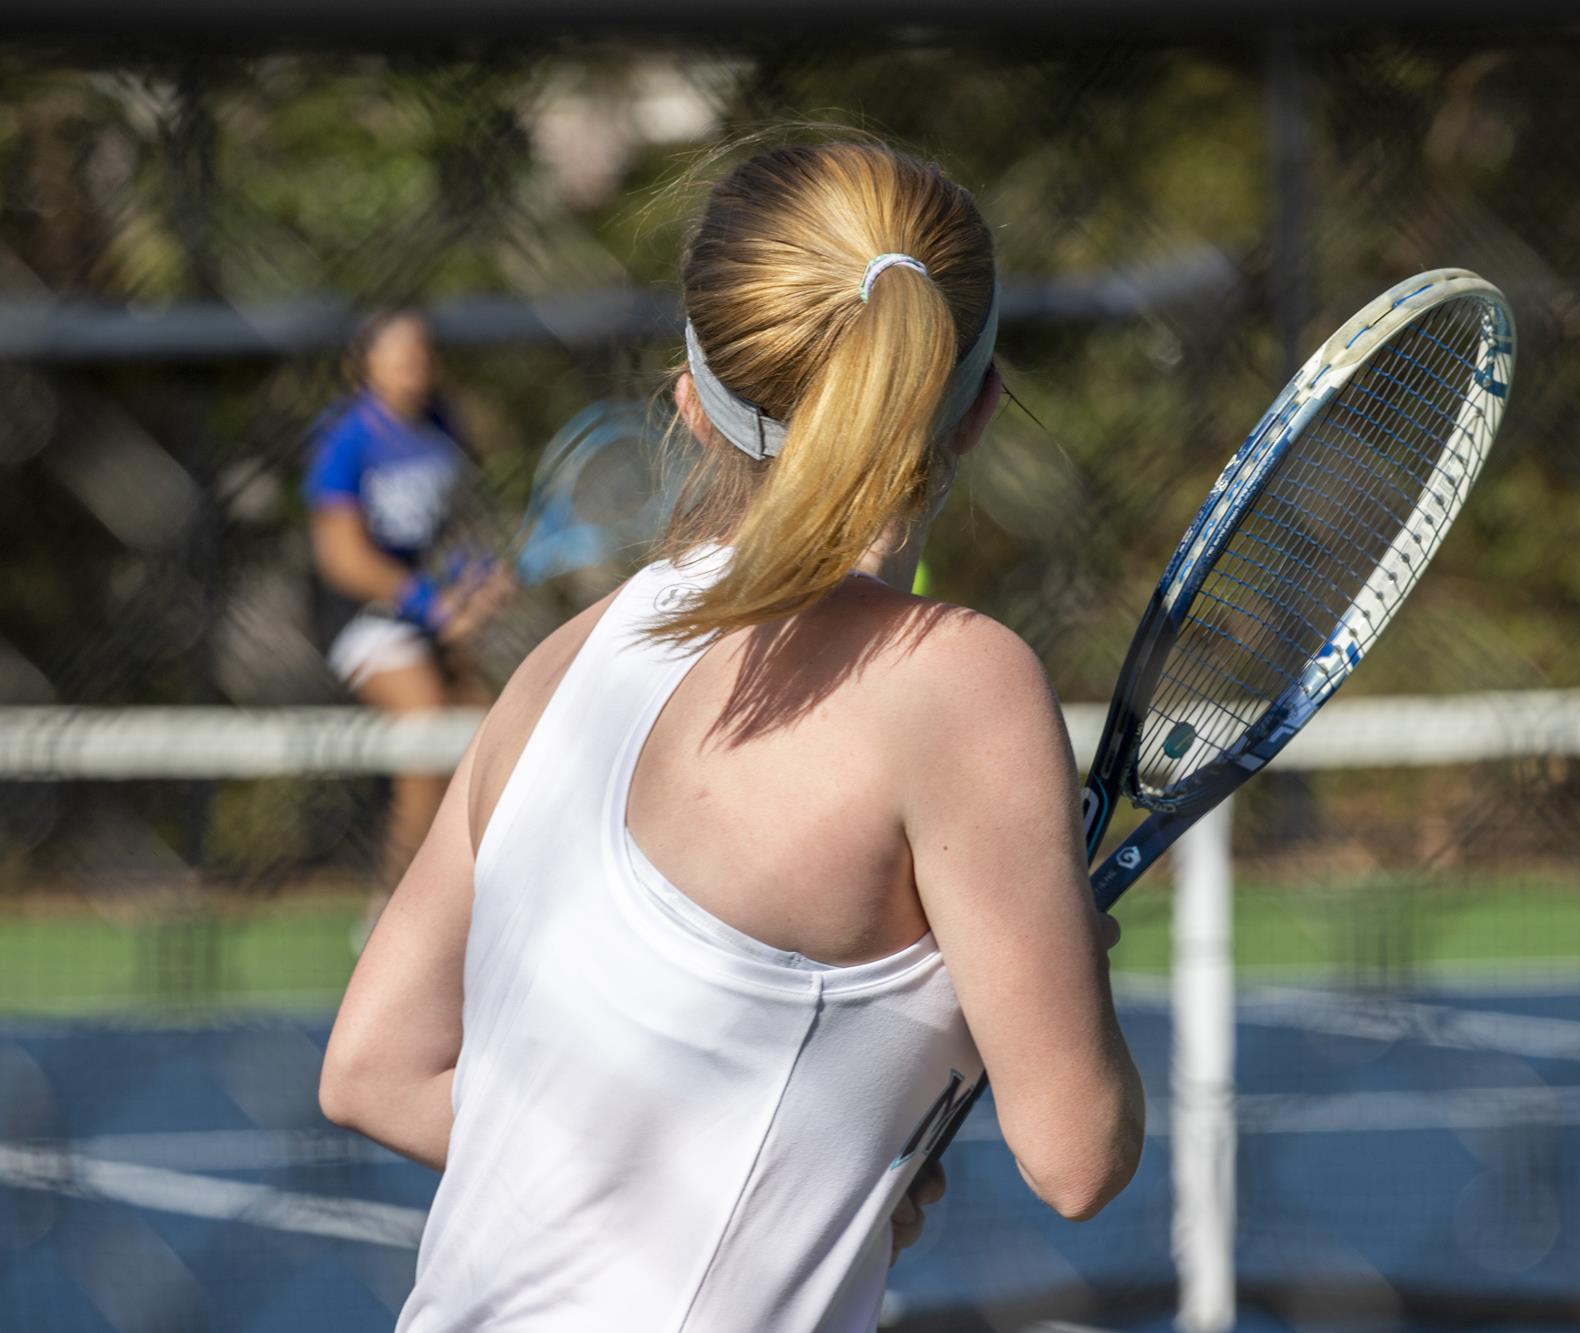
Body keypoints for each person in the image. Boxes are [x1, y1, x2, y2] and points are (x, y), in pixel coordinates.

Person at [319, 139, 1145, 1331]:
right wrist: (1069, 970)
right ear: (975, 409)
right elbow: (1076, 1155)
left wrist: (772, 1179)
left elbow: (372, 1069)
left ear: (689, 401)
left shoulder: (570, 660)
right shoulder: (960, 682)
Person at [302, 311, 511, 942]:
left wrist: (478, 579)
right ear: (362, 363)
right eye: (396, 353)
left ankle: (486, 900)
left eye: (420, 352)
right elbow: (341, 557)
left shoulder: (442, 427)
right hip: (363, 618)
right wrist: (427, 603)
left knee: (495, 740)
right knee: (424, 728)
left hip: (430, 614)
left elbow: (449, 532)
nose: (411, 365)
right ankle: (391, 915)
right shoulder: (346, 439)